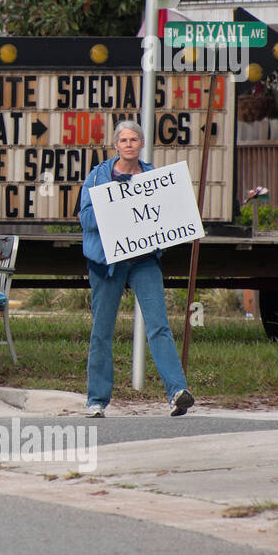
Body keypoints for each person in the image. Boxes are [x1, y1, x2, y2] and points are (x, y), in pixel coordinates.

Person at [79, 119, 195, 418]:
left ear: (140, 144)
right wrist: (117, 210)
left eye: (133, 140)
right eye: (123, 140)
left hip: (144, 259)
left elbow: (168, 216)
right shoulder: (98, 177)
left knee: (159, 325)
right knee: (101, 331)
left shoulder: (153, 177)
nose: (128, 144)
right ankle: (97, 400)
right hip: (108, 262)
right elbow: (86, 218)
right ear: (115, 144)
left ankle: (177, 392)